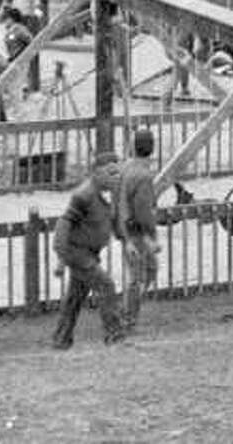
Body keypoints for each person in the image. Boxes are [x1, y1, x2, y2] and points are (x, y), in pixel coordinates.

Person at [50, 151, 126, 349]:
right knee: (106, 286)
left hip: (90, 253)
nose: (116, 177)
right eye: (111, 173)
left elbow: (115, 222)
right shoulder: (83, 195)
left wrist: (126, 241)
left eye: (118, 173)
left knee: (75, 297)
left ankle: (61, 339)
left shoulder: (110, 194)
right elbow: (63, 225)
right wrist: (60, 257)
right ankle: (114, 335)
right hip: (78, 254)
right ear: (96, 173)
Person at [115, 131, 160, 331]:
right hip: (136, 231)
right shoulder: (143, 176)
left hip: (124, 227)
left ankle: (126, 313)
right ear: (153, 148)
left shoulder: (125, 169)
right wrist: (150, 236)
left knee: (146, 271)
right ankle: (127, 318)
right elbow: (143, 210)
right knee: (140, 276)